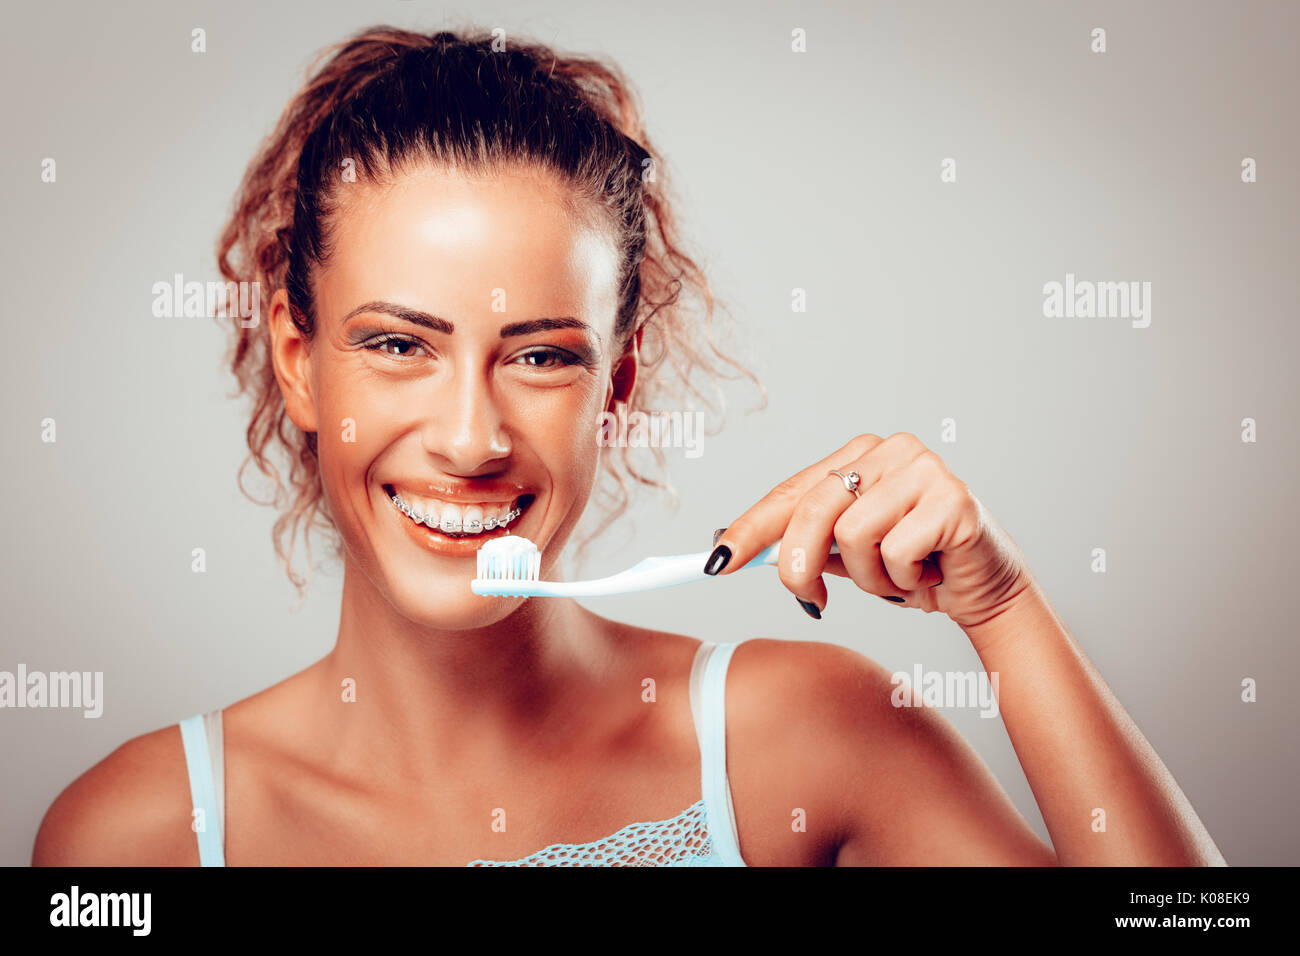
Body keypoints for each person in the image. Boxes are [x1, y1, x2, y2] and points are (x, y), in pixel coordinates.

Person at [32, 25, 1224, 866]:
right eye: (399, 344)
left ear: (619, 380)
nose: (468, 436)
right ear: (297, 357)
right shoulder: (138, 837)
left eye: (542, 355)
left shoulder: (804, 736)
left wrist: (1002, 609)